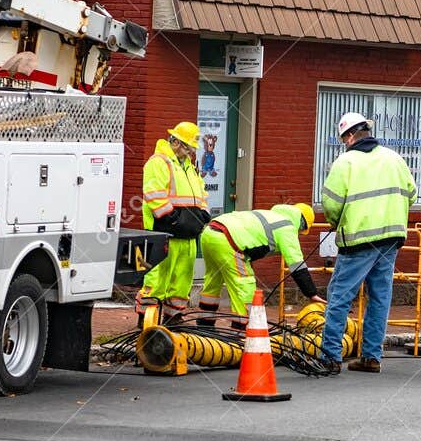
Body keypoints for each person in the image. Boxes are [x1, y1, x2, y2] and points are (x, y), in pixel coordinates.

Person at [320, 112, 417, 373]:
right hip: (390, 239)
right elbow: (411, 194)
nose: (344, 143)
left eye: (344, 139)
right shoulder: (394, 158)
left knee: (340, 296)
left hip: (359, 239)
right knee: (380, 297)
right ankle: (372, 357)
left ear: (350, 136)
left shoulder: (345, 162)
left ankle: (330, 356)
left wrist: (335, 221)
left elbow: (331, 203)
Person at [196, 202, 321, 320]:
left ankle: (204, 326)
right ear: (302, 223)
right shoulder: (286, 227)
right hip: (228, 241)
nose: (299, 233)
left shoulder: (272, 215)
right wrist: (311, 293)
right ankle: (241, 330)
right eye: (301, 231)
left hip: (209, 232)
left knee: (213, 280)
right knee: (245, 285)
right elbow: (297, 264)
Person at [136, 122, 208, 315]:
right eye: (187, 147)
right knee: (157, 278)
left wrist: (204, 213)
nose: (191, 152)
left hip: (187, 234)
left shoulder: (189, 167)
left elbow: (201, 193)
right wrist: (173, 218)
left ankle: (173, 318)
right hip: (164, 232)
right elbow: (153, 194)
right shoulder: (159, 162)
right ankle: (147, 320)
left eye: (192, 148)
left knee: (182, 281)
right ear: (175, 142)